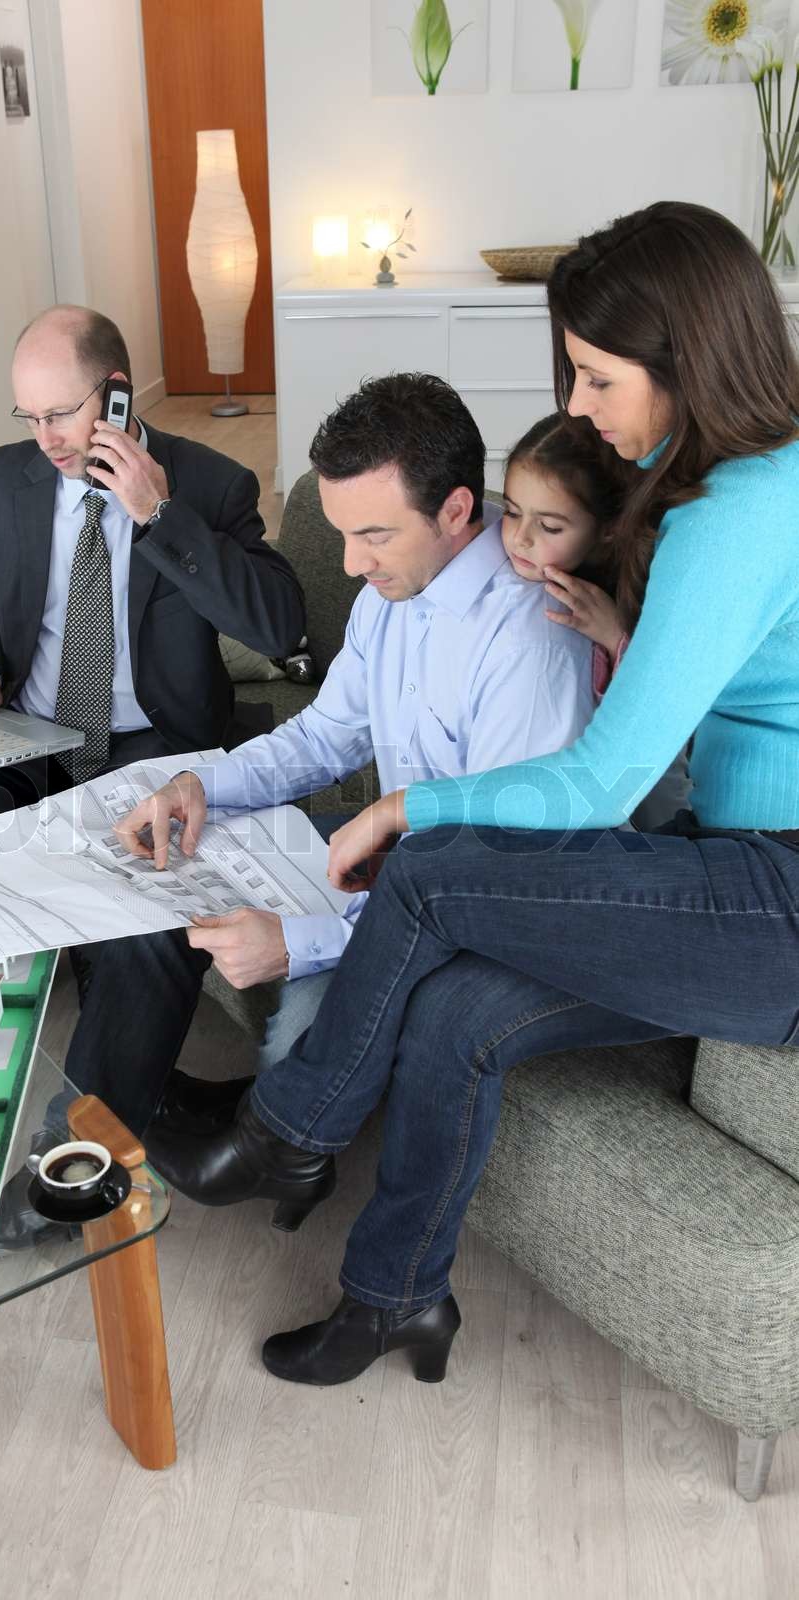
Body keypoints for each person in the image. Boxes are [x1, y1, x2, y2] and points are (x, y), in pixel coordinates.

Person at [147, 200, 799, 1389]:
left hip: (776, 898)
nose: (581, 410)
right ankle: (392, 1299)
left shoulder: (737, 514)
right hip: (730, 865)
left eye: (598, 378)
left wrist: (405, 811)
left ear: (685, 356)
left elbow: (599, 782)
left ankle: (287, 1133)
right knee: (456, 1019)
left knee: (436, 868)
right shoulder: (752, 489)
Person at [92, 378, 626, 1154]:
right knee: (162, 863)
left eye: (372, 533)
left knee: (296, 1038)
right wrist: (198, 784)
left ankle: (262, 1137)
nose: (348, 564)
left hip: (480, 887)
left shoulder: (532, 634)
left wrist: (298, 942)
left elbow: (485, 870)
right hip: (392, 854)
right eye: (344, 534)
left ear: (452, 510)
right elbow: (323, 737)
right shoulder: (388, 591)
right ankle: (98, 1129)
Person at [0, 304, 305, 845]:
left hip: (151, 739)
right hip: (27, 736)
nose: (44, 438)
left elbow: (279, 628)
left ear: (116, 393)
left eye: (57, 414)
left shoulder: (210, 483)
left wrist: (160, 515)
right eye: (29, 417)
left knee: (122, 852)